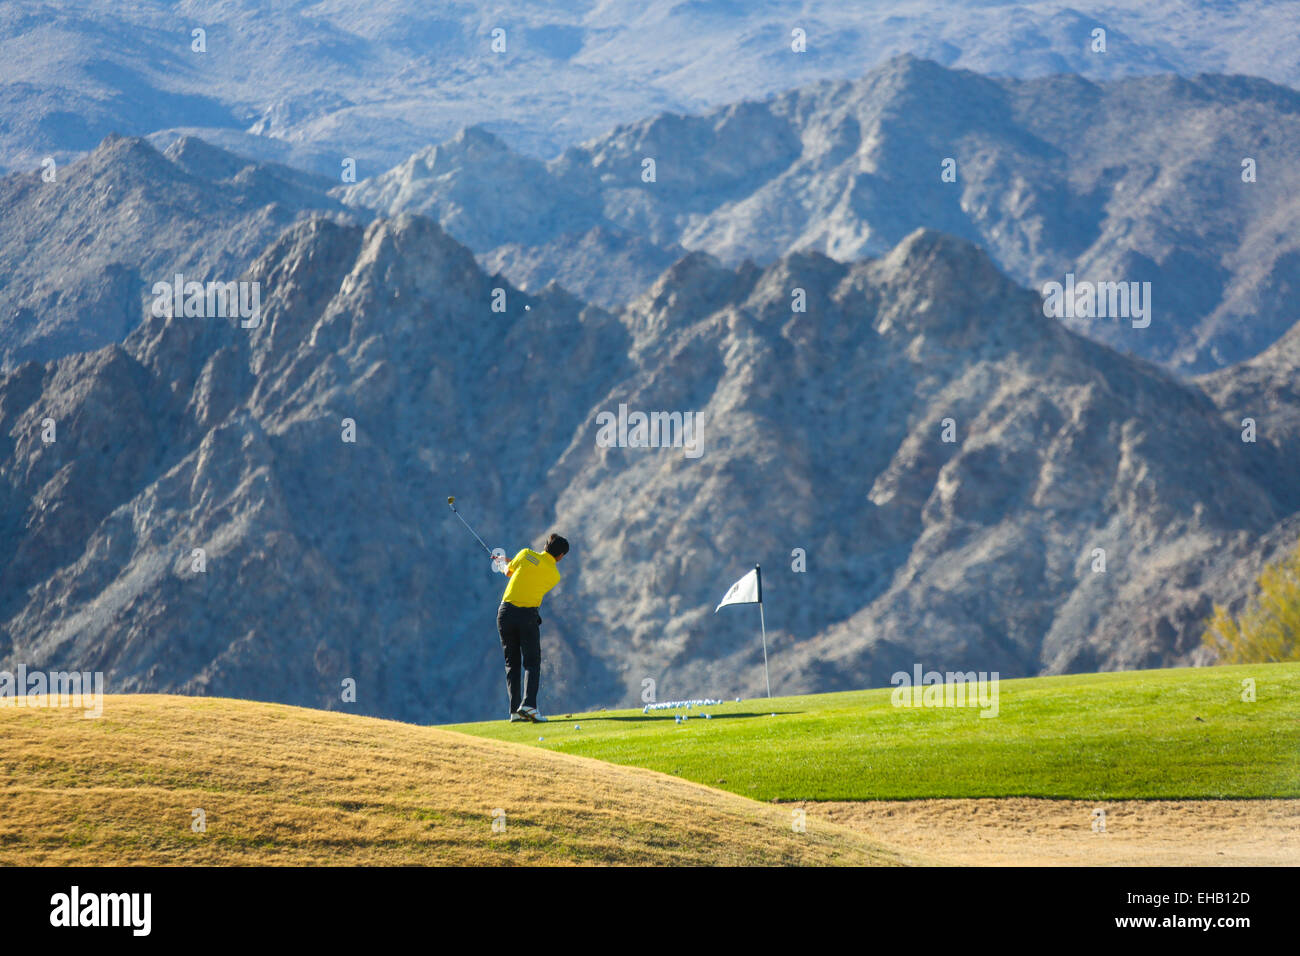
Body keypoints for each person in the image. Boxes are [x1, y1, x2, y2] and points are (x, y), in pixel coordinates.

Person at [496, 533, 568, 722]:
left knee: (511, 662)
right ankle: (528, 705)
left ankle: (514, 711)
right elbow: (533, 573)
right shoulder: (555, 575)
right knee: (531, 661)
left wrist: (502, 563)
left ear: (545, 545)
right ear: (560, 556)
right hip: (527, 616)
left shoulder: (526, 554)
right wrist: (508, 564)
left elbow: (510, 572)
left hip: (505, 613)